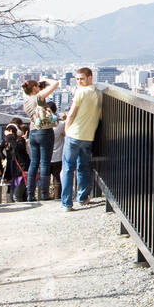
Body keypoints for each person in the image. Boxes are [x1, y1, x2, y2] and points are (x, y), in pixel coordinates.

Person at [60, 66, 101, 210]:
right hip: (88, 136)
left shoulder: (80, 92)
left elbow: (72, 113)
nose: (79, 82)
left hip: (74, 135)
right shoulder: (97, 92)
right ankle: (83, 198)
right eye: (77, 79)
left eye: (82, 79)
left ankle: (66, 203)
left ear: (90, 77)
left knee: (67, 168)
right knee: (83, 167)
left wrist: (66, 128)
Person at [22, 78, 60, 202]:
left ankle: (30, 194)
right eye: (37, 86)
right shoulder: (38, 97)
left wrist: (40, 86)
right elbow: (55, 84)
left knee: (34, 163)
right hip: (44, 131)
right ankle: (44, 193)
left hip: (33, 132)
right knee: (44, 163)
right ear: (34, 88)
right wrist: (46, 80)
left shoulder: (26, 101)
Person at [0, 123, 31, 202]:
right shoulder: (9, 145)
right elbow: (2, 152)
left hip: (22, 172)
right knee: (14, 196)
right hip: (14, 174)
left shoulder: (21, 141)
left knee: (16, 196)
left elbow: (17, 149)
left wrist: (10, 137)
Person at [47, 101, 64, 200]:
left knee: (45, 178)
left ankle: (44, 196)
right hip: (58, 156)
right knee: (58, 180)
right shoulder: (61, 124)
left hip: (46, 157)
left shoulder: (43, 124)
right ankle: (57, 198)